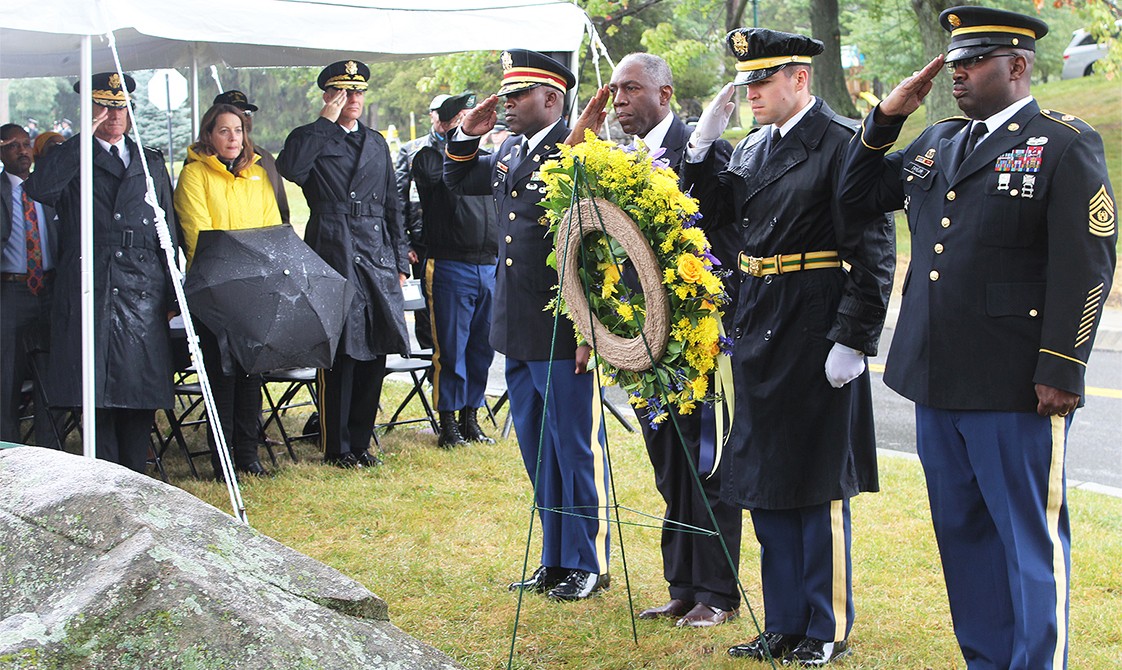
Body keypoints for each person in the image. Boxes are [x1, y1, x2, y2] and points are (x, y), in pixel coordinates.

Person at [839, 8, 1117, 669]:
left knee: (1027, 541)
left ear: (1017, 67)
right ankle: (986, 660)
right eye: (954, 63)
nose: (956, 74)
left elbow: (1087, 265)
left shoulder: (1063, 143)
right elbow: (855, 195)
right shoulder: (938, 138)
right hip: (937, 378)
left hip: (1017, 384)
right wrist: (886, 119)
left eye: (972, 63)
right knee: (963, 536)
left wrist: (1063, 367)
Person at [682, 29, 894, 665]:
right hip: (759, 318)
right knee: (764, 476)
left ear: (799, 79)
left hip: (815, 321)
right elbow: (714, 213)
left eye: (762, 81)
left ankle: (823, 626)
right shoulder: (750, 145)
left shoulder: (843, 141)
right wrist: (699, 147)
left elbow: (874, 249)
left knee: (816, 479)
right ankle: (782, 621)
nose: (750, 93)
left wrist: (853, 337)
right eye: (745, 82)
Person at [444, 49, 612, 601]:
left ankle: (586, 560)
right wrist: (468, 134)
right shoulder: (511, 149)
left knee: (572, 447)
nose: (508, 105)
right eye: (507, 96)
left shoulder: (582, 147)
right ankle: (554, 558)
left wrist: (590, 327)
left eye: (518, 96)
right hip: (514, 326)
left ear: (552, 99)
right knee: (536, 449)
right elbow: (459, 182)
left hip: (562, 327)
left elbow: (597, 246)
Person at [605, 52, 743, 628]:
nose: (618, 101)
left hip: (696, 335)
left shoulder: (708, 152)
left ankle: (718, 591)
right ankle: (683, 584)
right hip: (644, 338)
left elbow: (727, 237)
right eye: (613, 91)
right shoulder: (616, 161)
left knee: (704, 464)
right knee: (667, 464)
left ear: (664, 95)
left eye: (630, 90)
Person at [26, 72, 178, 473]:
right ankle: (105, 481)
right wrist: (80, 137)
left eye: (120, 107)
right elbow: (40, 189)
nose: (113, 116)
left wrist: (173, 295)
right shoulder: (74, 157)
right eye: (104, 106)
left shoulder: (150, 161)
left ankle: (137, 479)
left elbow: (168, 230)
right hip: (92, 283)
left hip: (143, 289)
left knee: (140, 392)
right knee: (98, 395)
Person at [276, 60, 410, 469]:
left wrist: (400, 257)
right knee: (340, 351)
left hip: (374, 251)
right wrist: (325, 122)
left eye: (357, 93)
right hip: (332, 245)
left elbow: (392, 204)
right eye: (342, 93)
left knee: (375, 348)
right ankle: (337, 446)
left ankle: (361, 441)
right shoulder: (311, 136)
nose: (352, 100)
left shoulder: (375, 142)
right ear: (328, 97)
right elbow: (291, 169)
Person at [174, 103, 283, 479]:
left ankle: (248, 453)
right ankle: (223, 459)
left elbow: (272, 229)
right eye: (224, 131)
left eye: (238, 130)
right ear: (210, 135)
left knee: (251, 375)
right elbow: (198, 236)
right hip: (215, 291)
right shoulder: (194, 176)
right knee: (223, 376)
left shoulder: (258, 175)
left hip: (256, 289)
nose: (233, 138)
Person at [397, 92, 499, 448]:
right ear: (446, 123)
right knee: (450, 350)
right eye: (461, 118)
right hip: (450, 265)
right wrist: (460, 138)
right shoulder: (429, 159)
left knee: (481, 349)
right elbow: (431, 178)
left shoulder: (489, 160)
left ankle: (472, 417)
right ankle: (449, 424)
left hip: (488, 266)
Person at [1, 124, 59, 448]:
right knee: (6, 381)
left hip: (49, 291)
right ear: (1, 152)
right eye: (13, 146)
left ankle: (49, 454)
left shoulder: (47, 188)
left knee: (50, 382)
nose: (23, 151)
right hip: (10, 292)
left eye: (26, 144)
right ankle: (8, 457)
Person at [213, 90, 290, 226]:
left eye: (247, 113)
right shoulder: (201, 161)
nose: (244, 118)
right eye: (235, 113)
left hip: (264, 242)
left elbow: (281, 209)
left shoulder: (265, 158)